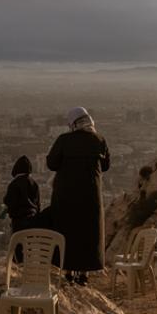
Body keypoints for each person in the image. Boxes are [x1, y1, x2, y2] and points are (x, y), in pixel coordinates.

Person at [47, 106, 111, 286]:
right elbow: (105, 166)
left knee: (67, 230)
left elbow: (51, 163)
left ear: (73, 123)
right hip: (91, 195)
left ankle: (68, 270)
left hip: (66, 195)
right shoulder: (99, 139)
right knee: (87, 232)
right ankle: (84, 273)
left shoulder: (64, 140)